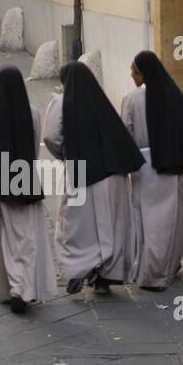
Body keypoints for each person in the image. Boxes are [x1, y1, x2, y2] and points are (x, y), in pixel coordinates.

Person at [43, 62, 144, 295]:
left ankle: (78, 269)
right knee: (113, 223)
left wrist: (64, 155)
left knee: (77, 224)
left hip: (80, 170)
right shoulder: (101, 101)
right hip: (112, 173)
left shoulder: (61, 103)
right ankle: (106, 275)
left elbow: (50, 137)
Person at [0, 66, 58, 314]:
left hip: (3, 185)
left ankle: (16, 288)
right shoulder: (33, 113)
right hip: (26, 181)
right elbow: (34, 149)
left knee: (7, 241)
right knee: (29, 239)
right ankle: (26, 288)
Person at [122, 51, 183, 292]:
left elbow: (126, 131)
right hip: (172, 164)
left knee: (147, 221)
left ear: (142, 72)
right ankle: (168, 264)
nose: (132, 76)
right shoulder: (173, 94)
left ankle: (150, 272)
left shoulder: (131, 98)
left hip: (144, 166)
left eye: (134, 72)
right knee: (172, 220)